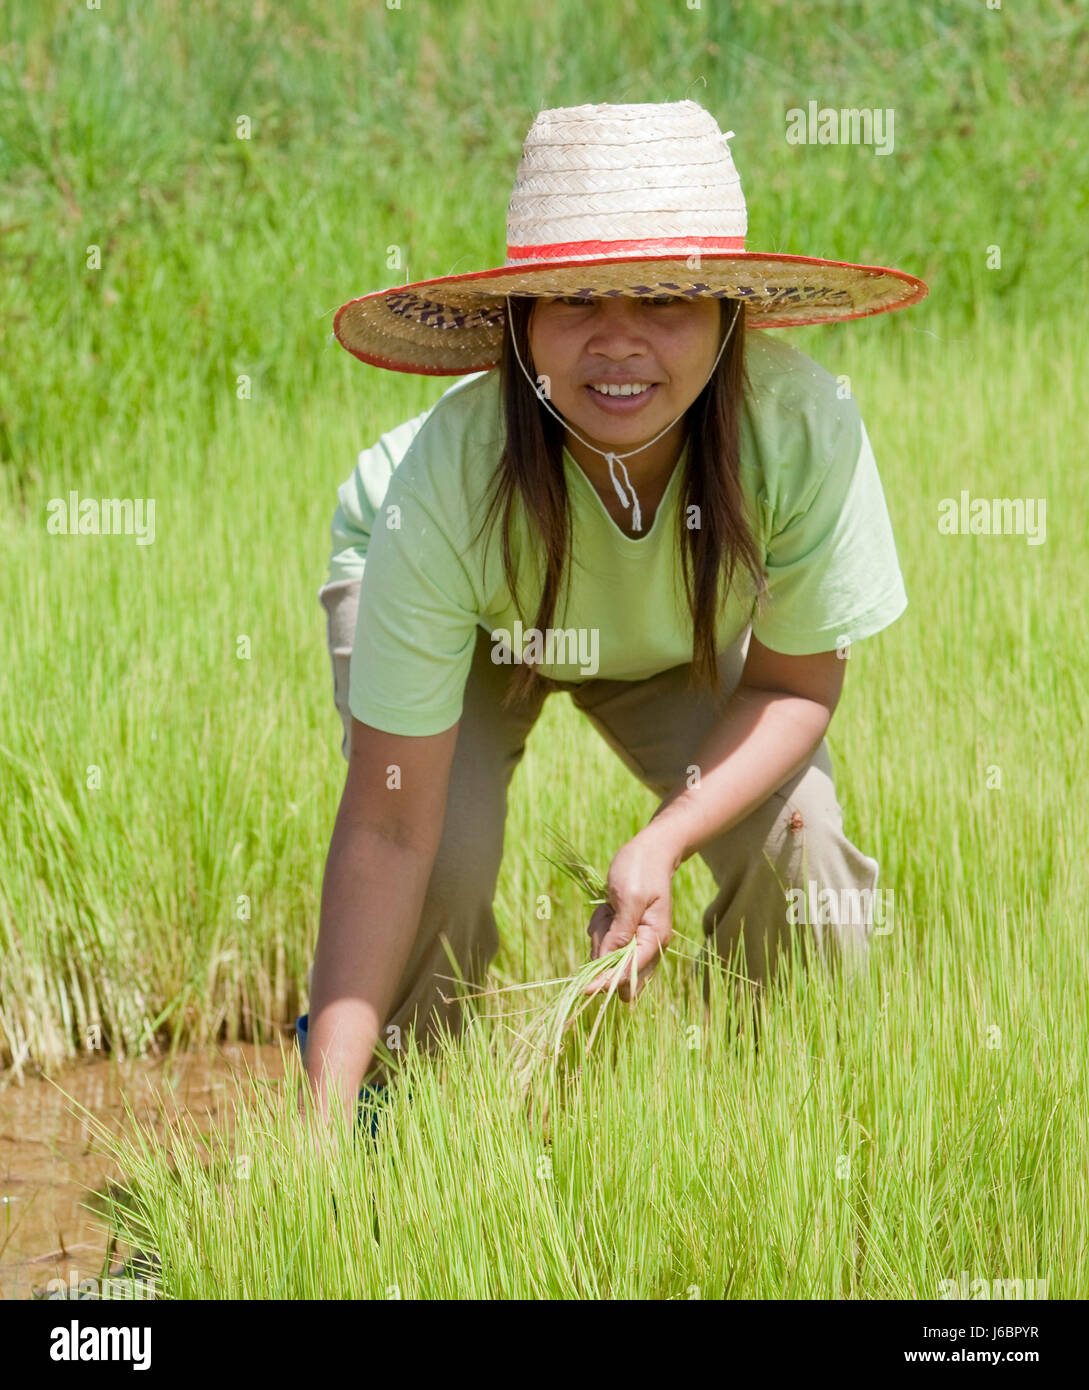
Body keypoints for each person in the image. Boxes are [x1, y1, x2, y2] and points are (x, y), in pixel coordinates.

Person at [297, 99, 927, 1130]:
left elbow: (793, 685)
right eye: (577, 300)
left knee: (801, 840)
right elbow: (387, 825)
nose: (619, 342)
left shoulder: (802, 430)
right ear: (518, 322)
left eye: (663, 302)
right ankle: (377, 1133)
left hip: (662, 640)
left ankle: (794, 1130)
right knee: (441, 857)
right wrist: (309, 1136)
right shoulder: (446, 482)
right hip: (477, 629)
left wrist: (662, 842)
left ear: (730, 318)